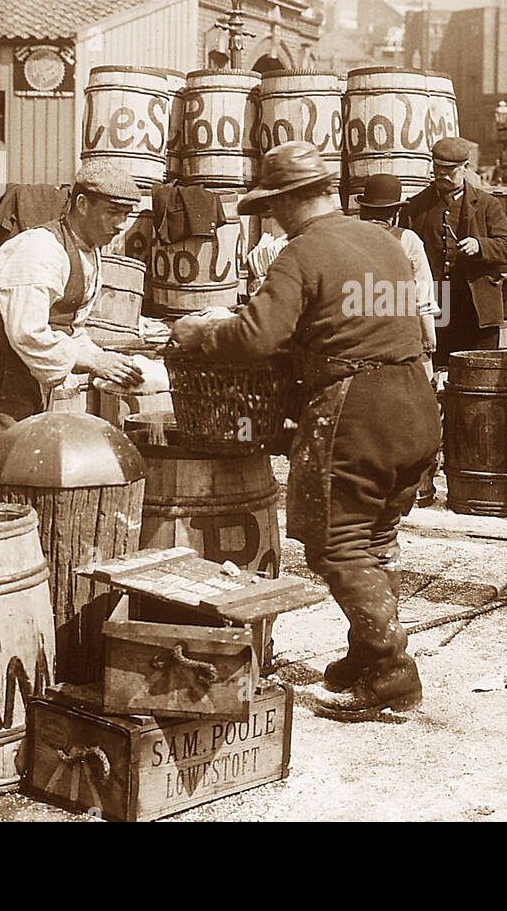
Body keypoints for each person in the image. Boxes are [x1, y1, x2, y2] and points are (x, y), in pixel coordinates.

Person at [168, 142, 440, 716]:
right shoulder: (385, 243)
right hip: (415, 402)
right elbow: (373, 318)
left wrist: (199, 337)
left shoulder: (300, 253)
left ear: (290, 201)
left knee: (337, 547)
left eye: (273, 205)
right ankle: (367, 653)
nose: (272, 217)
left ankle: (391, 674)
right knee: (377, 537)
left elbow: (255, 339)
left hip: (355, 409)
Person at [0, 159, 144, 456]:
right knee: (11, 480)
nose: (121, 225)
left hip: (27, 386)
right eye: (112, 213)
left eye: (126, 214)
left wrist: (102, 356)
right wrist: (93, 362)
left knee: (30, 478)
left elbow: (71, 327)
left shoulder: (88, 253)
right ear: (82, 204)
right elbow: (27, 334)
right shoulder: (40, 250)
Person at [399, 137, 507, 368]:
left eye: (449, 170)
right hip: (437, 304)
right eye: (437, 169)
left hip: (477, 306)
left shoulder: (487, 205)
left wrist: (480, 245)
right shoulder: (416, 207)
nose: (442, 175)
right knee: (439, 368)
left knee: (480, 371)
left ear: (465, 168)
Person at [355, 173, 439, 374]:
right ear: (395, 212)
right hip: (399, 333)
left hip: (358, 334)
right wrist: (429, 340)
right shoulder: (408, 239)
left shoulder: (348, 238)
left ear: (363, 210)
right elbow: (422, 294)